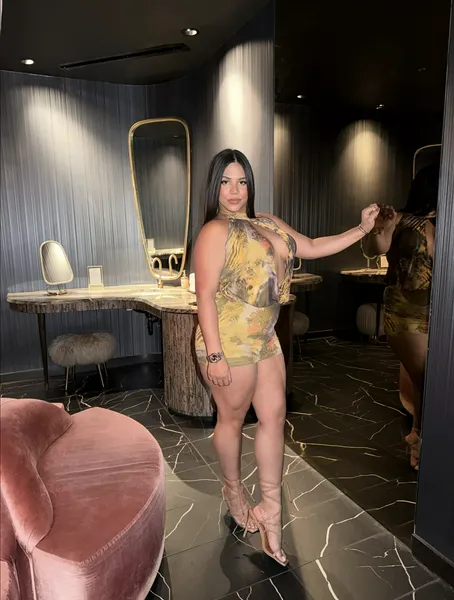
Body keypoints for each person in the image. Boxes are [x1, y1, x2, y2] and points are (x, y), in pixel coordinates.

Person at [194, 148, 380, 566]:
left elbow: (311, 246)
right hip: (229, 340)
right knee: (232, 421)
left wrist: (361, 229)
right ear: (214, 187)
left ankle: (271, 515)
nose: (235, 191)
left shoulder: (268, 222)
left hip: (264, 338)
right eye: (225, 182)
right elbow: (203, 296)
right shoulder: (214, 231)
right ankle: (234, 494)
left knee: (274, 418)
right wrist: (216, 356)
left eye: (242, 181)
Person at [364, 164, 439, 470]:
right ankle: (420, 440)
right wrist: (378, 228)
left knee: (428, 381)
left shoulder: (443, 222)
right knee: (428, 378)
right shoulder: (398, 218)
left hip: (437, 311)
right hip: (405, 312)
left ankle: (418, 438)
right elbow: (375, 249)